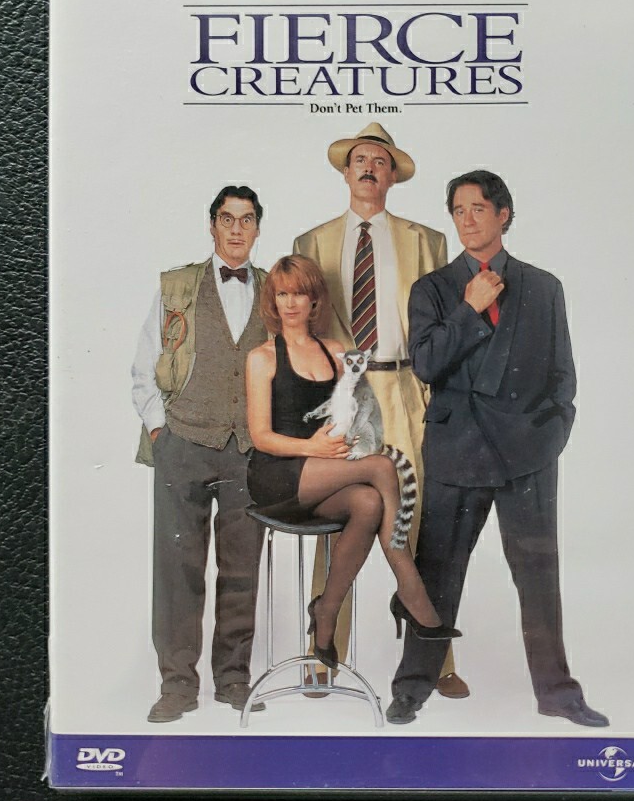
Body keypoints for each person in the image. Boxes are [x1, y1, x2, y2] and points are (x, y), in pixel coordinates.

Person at [386, 170, 609, 727]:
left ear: (503, 215)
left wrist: (551, 435)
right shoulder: (434, 289)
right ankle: (412, 688)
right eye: (458, 211)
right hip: (456, 449)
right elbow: (427, 365)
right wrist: (469, 308)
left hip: (527, 454)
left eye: (478, 209)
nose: (467, 220)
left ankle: (557, 694)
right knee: (436, 574)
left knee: (538, 575)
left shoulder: (544, 286)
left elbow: (562, 375)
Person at [293, 123, 468, 699]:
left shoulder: (426, 241)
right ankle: (323, 656)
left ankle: (435, 663)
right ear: (346, 173)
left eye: (380, 161)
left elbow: (445, 326)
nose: (369, 168)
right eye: (360, 160)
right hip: (345, 396)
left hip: (406, 387)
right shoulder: (312, 242)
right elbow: (300, 331)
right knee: (341, 523)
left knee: (419, 520)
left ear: (393, 176)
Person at [246, 255, 460, 670]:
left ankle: (326, 610)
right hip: (277, 476)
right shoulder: (263, 357)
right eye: (282, 294)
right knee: (381, 467)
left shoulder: (335, 352)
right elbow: (261, 436)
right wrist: (312, 447)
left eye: (299, 294)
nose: (290, 303)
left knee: (368, 502)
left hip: (324, 473)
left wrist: (347, 443)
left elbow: (356, 410)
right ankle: (411, 590)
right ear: (273, 300)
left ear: (314, 300)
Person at [132, 185, 268, 722]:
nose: (236, 229)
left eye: (246, 219)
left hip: (247, 452)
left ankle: (234, 680)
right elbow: (145, 364)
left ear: (257, 229)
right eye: (227, 219)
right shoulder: (178, 287)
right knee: (177, 571)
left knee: (242, 570)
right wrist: (160, 431)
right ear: (212, 226)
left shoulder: (273, 290)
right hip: (183, 445)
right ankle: (177, 686)